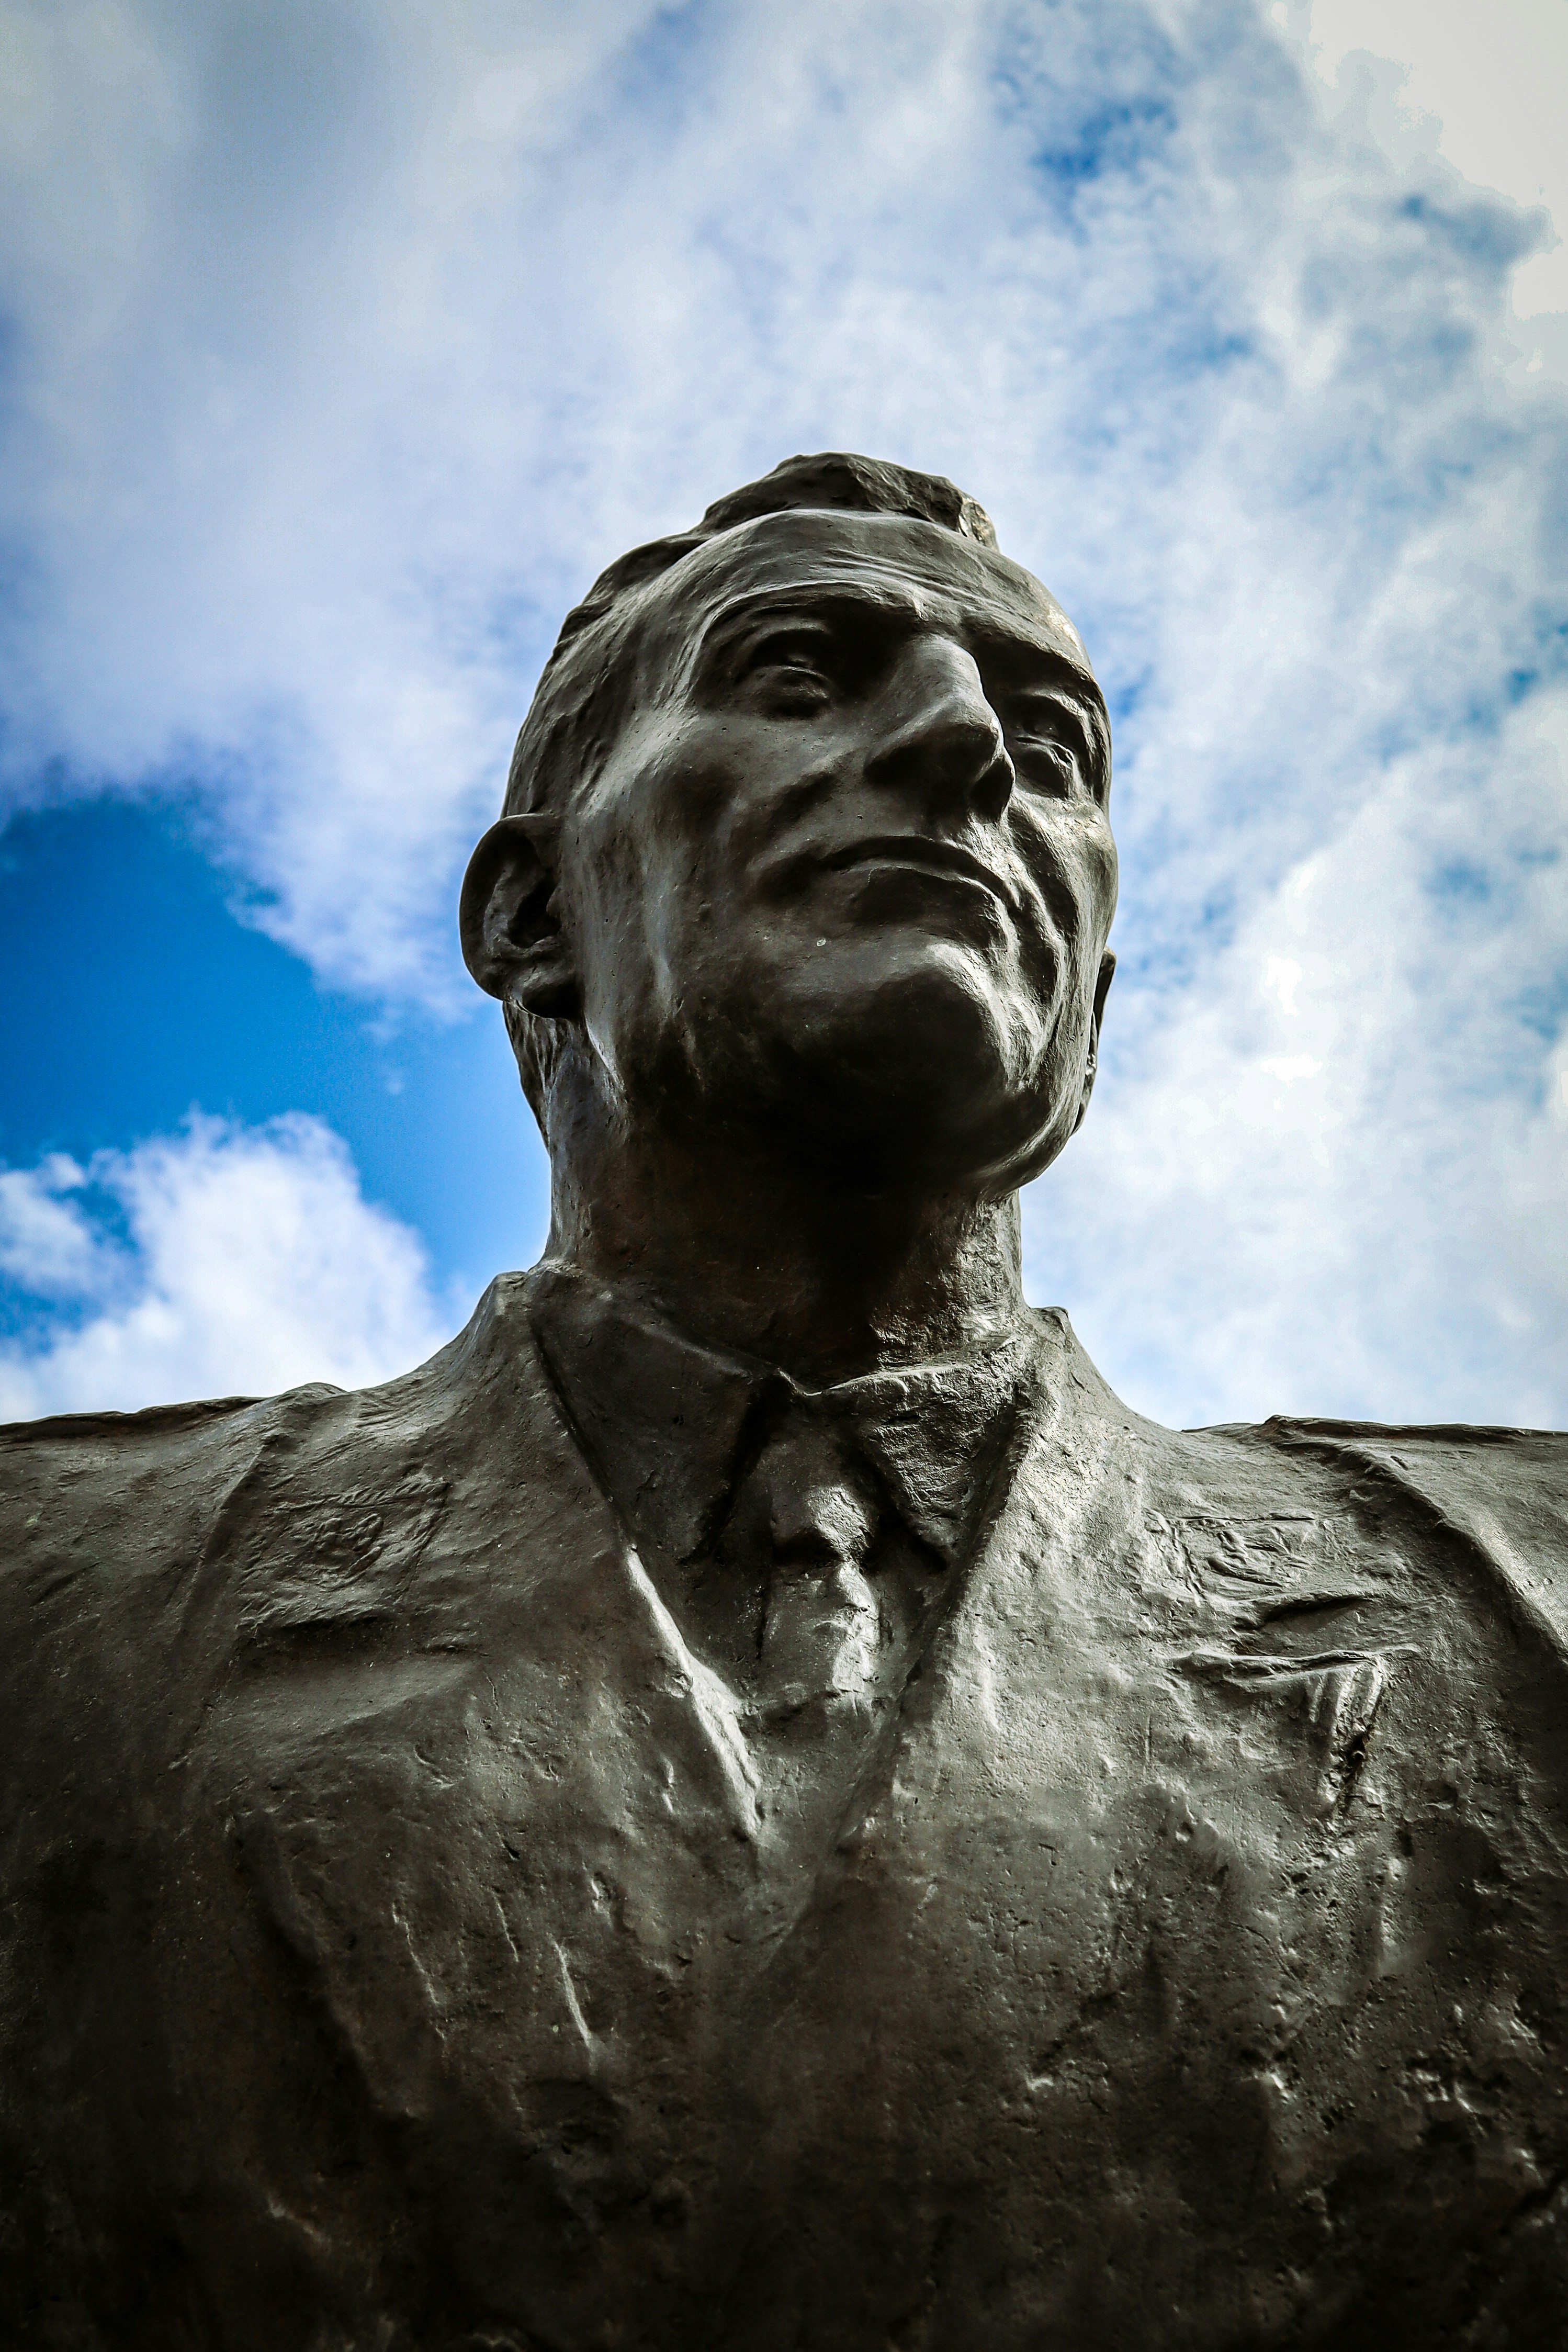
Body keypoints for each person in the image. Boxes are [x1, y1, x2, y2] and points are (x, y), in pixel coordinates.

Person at [3, 453, 1565, 2350]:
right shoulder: (51, 1598)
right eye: (804, 676)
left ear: (1094, 995)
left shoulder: (1520, 1599)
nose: (969, 751)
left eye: (1055, 747)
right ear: (529, 914)